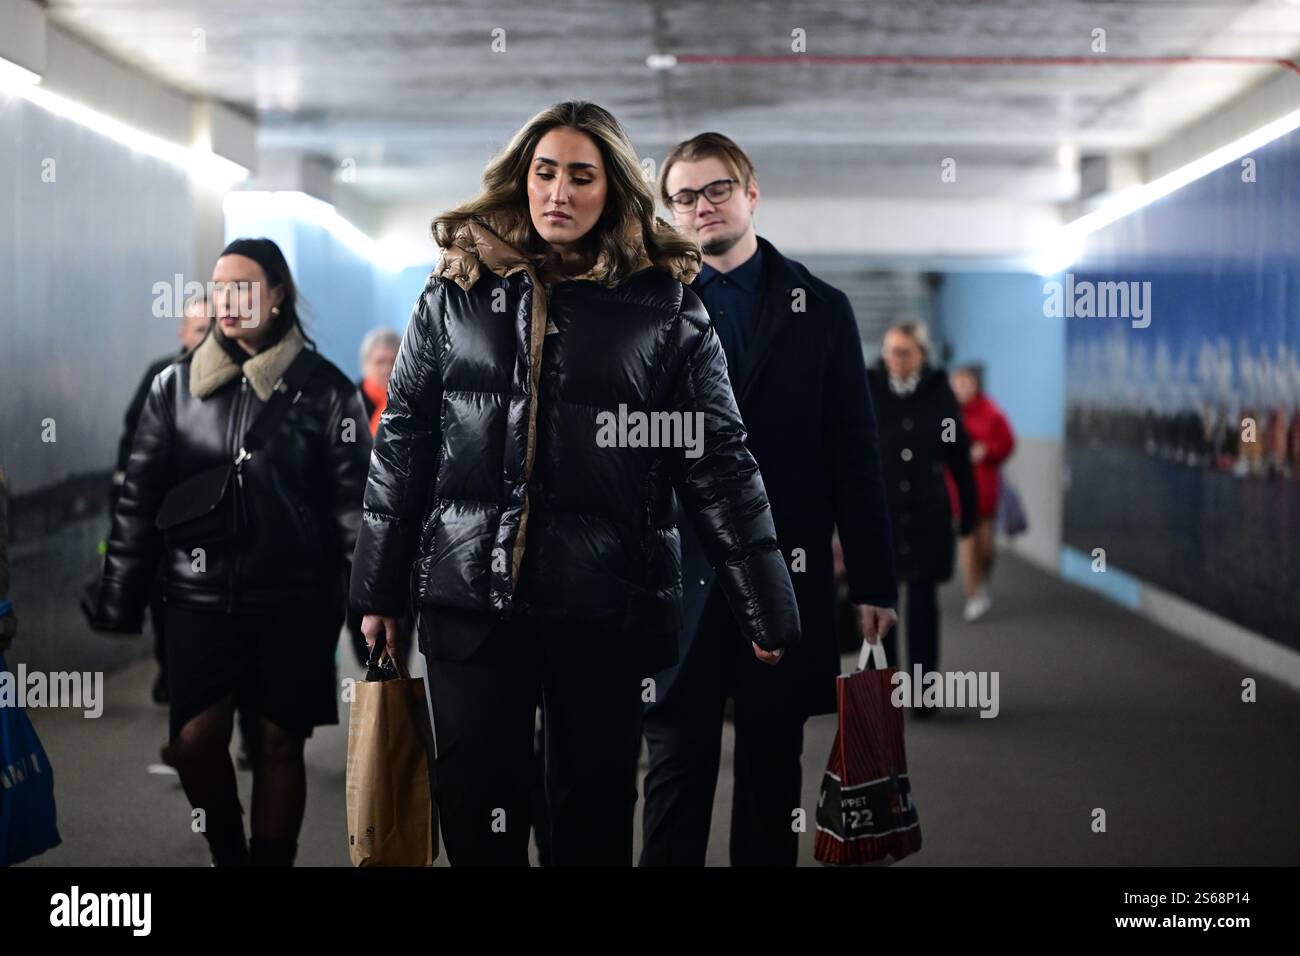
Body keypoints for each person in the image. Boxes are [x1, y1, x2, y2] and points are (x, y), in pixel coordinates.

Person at [348, 101, 801, 867]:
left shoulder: (665, 306)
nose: (559, 192)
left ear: (613, 190)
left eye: (581, 177)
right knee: (475, 807)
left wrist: (765, 598)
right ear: (522, 180)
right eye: (545, 173)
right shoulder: (454, 293)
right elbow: (405, 445)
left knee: (590, 816)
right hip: (470, 598)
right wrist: (378, 591)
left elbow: (715, 457)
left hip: (603, 604)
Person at [640, 132, 898, 867]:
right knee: (673, 776)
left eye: (716, 189)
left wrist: (875, 581)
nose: (701, 207)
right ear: (670, 213)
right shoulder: (640, 309)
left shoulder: (821, 309)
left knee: (770, 776)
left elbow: (855, 454)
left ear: (750, 195)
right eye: (684, 197)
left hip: (787, 576)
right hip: (674, 579)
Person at [83, 237, 372, 866]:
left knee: (276, 743)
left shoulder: (325, 390)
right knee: (193, 741)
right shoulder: (174, 388)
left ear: (277, 297)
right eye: (220, 288)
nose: (230, 301)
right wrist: (119, 594)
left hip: (294, 600)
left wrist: (370, 609)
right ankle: (228, 855)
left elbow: (354, 509)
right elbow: (139, 497)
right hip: (195, 597)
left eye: (245, 287)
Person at [867, 322, 977, 716]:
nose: (895, 359)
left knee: (924, 605)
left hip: (928, 514)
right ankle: (886, 691)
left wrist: (970, 512)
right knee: (882, 605)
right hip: (881, 515)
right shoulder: (867, 389)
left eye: (904, 352)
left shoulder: (940, 394)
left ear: (921, 355)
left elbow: (959, 458)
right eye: (891, 351)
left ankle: (925, 692)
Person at [109, 296, 212, 704]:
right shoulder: (162, 377)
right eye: (200, 330)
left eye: (213, 330)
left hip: (215, 524)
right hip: (166, 521)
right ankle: (173, 671)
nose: (207, 340)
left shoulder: (239, 381)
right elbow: (133, 443)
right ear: (183, 334)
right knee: (163, 597)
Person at [346, 329, 413, 672]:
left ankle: (390, 684)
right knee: (363, 640)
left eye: (394, 360)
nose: (388, 368)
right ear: (366, 365)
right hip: (357, 535)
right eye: (380, 361)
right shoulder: (350, 404)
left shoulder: (415, 401)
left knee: (398, 637)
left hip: (402, 538)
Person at [949, 365, 1015, 622]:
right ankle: (974, 595)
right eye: (957, 384)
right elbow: (939, 446)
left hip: (985, 489)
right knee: (968, 543)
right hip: (958, 490)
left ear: (975, 385)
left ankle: (983, 578)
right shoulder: (948, 414)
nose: (961, 389)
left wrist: (987, 450)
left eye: (966, 384)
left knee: (986, 547)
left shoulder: (992, 412)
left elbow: (1007, 443)